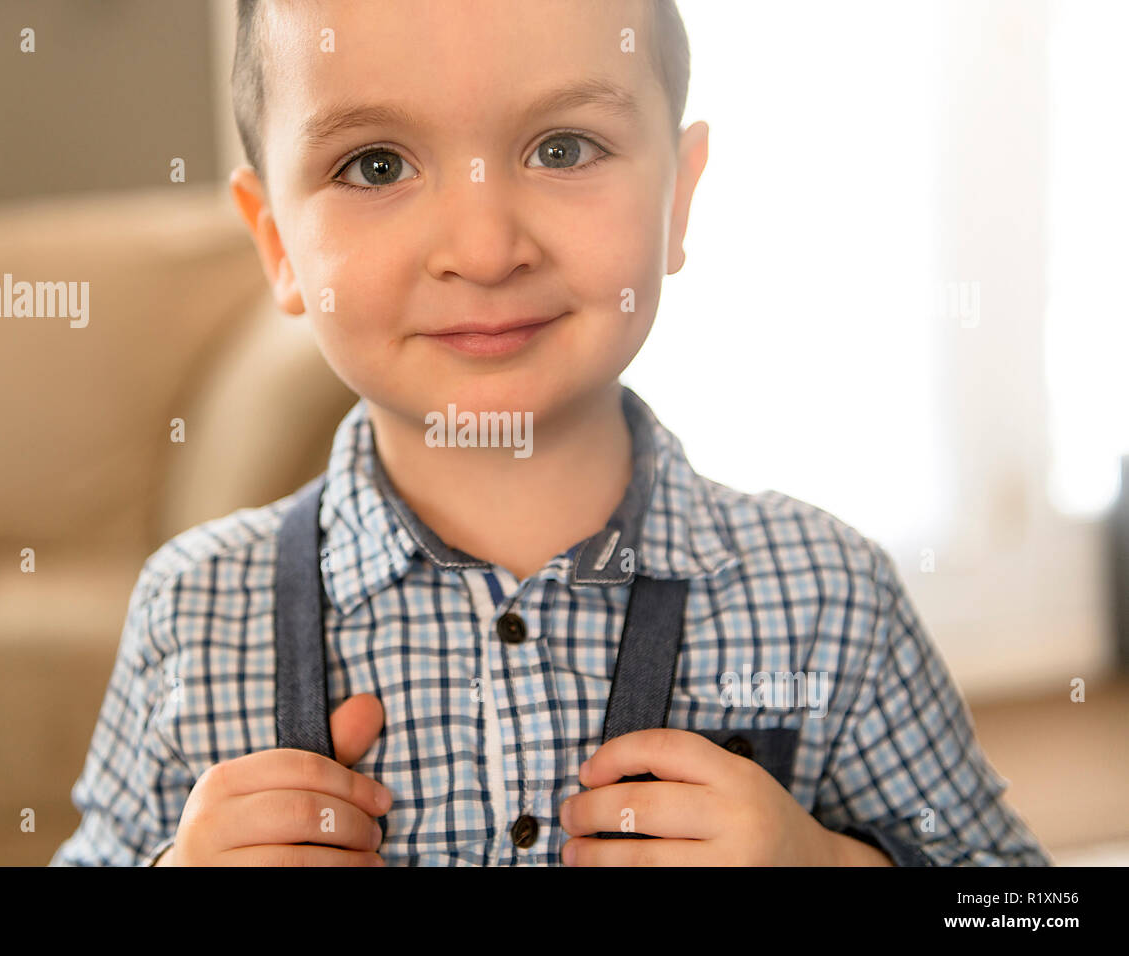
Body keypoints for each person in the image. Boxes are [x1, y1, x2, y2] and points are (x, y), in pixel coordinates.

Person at [51, 0, 1050, 866]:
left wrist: (823, 860)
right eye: (376, 164)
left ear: (679, 194)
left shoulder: (831, 598)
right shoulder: (193, 612)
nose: (484, 248)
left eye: (563, 147)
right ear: (275, 240)